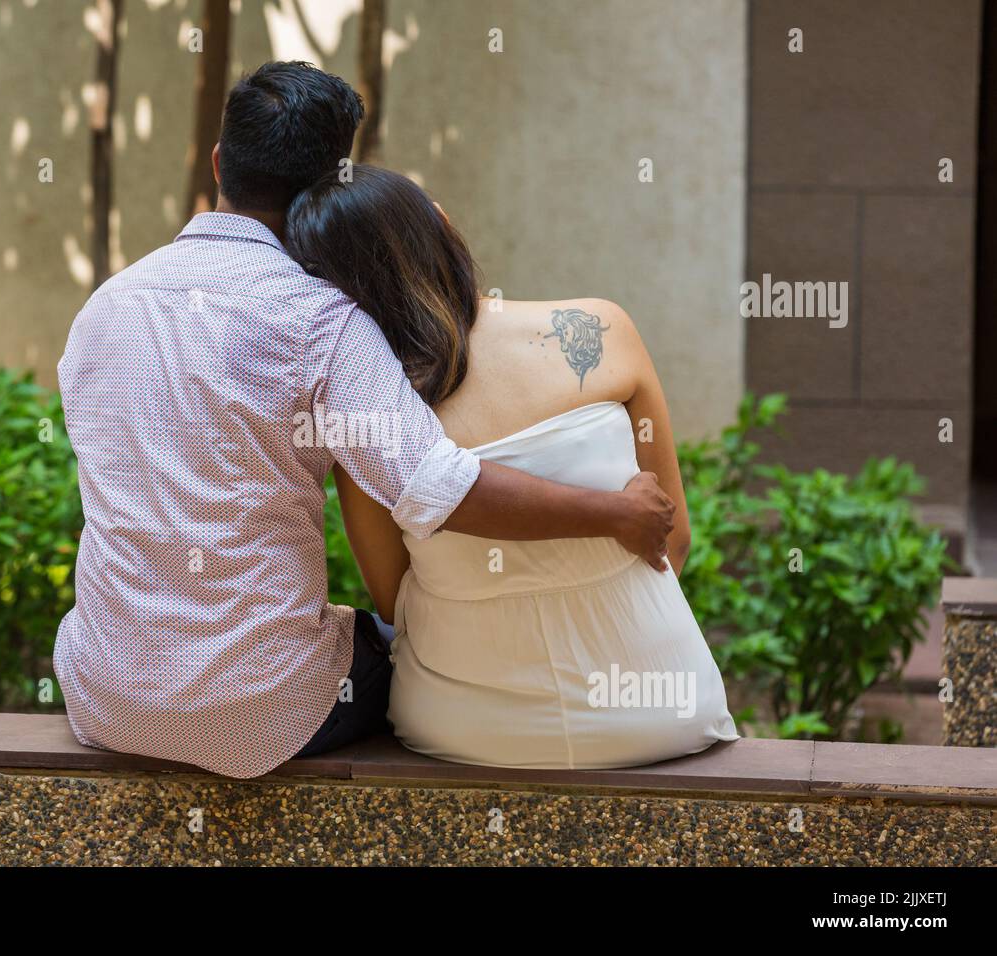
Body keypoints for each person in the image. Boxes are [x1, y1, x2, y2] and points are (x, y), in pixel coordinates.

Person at [53, 62, 677, 780]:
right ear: (336, 180)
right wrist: (616, 513)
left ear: (223, 161)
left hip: (105, 699)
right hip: (273, 713)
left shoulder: (104, 309)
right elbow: (438, 489)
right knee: (398, 649)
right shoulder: (320, 321)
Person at [284, 165, 739, 769]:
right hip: (662, 714)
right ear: (443, 225)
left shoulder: (369, 423)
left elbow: (395, 604)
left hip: (464, 728)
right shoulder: (601, 329)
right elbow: (672, 540)